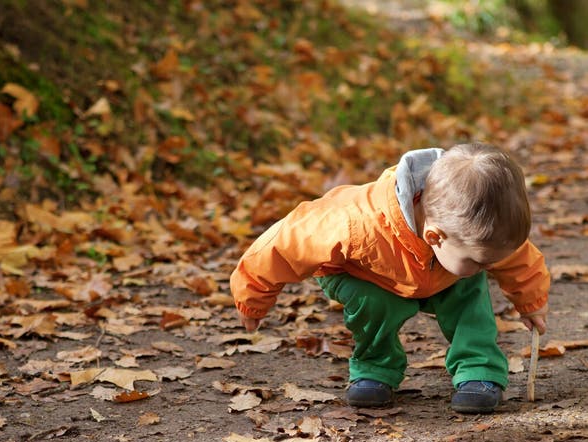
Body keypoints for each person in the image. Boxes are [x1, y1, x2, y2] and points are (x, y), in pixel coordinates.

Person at [230, 142, 549, 414]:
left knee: (468, 288)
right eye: (481, 261)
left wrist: (530, 300)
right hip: (365, 273)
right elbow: (283, 244)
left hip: (436, 271)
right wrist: (253, 294)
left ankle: (479, 370)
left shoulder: (473, 227)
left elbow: (516, 257)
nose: (489, 267)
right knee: (376, 303)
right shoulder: (354, 221)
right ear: (435, 236)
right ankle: (374, 367)